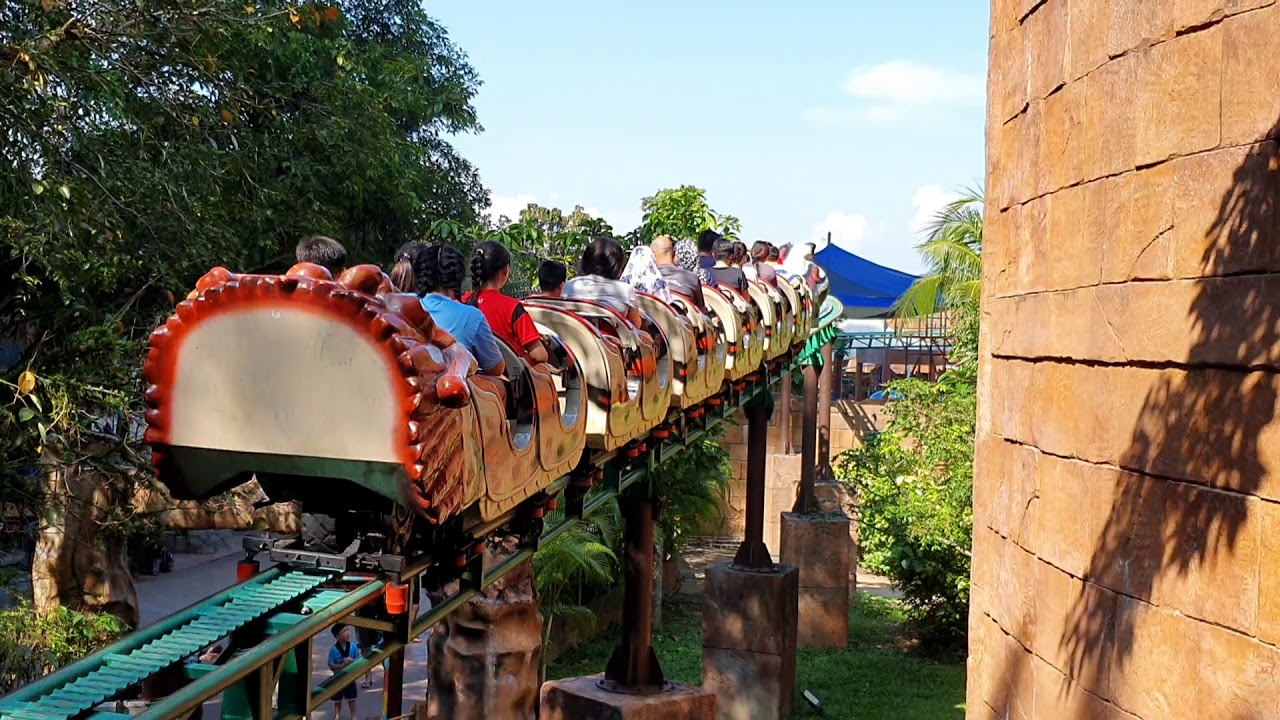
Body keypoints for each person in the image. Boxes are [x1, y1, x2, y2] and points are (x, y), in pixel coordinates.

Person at [389, 243, 506, 378]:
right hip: (451, 388)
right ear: (459, 277)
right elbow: (495, 368)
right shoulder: (473, 316)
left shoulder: (400, 305)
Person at [462, 241, 549, 364]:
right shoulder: (512, 308)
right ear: (506, 271)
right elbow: (539, 355)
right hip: (509, 376)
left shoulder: (460, 302)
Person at [562, 237, 643, 326]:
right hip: (610, 339)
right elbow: (635, 324)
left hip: (576, 337)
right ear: (617, 265)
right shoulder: (625, 290)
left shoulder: (570, 285)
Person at [650, 235, 705, 309]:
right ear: (674, 253)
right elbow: (702, 310)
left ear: (652, 255)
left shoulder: (646, 280)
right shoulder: (692, 278)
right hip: (688, 319)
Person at [327, 625, 360, 720]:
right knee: (337, 699)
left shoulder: (353, 646)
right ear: (337, 636)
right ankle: (337, 715)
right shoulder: (333, 650)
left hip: (350, 677)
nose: (347, 633)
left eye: (348, 630)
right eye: (344, 631)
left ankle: (353, 715)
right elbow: (331, 664)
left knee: (352, 698)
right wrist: (341, 665)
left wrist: (352, 661)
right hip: (338, 677)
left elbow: (358, 659)